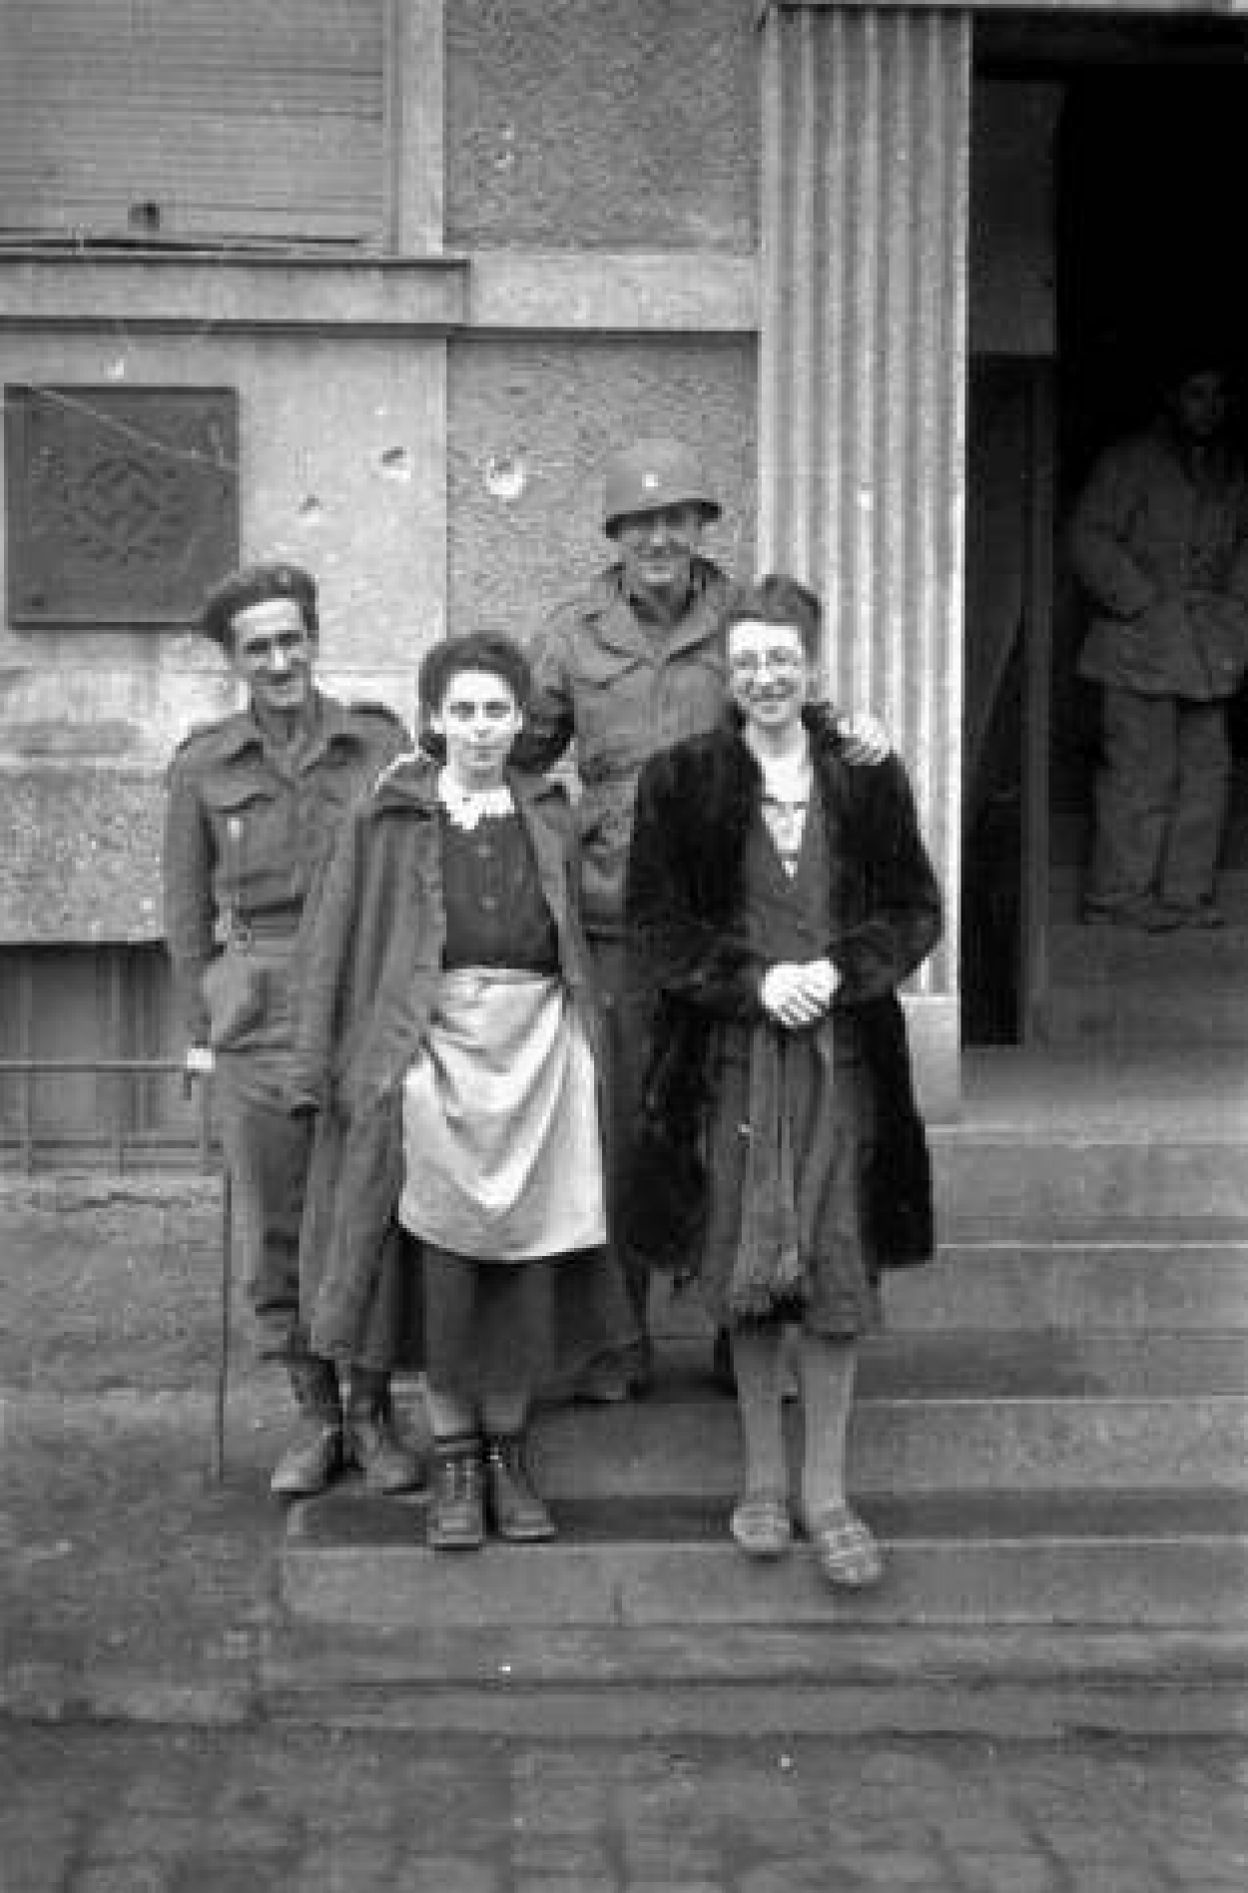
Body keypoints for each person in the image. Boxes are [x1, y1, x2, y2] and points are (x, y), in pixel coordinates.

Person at [515, 437, 890, 1396]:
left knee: (739, 1123)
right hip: (618, 928)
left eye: (677, 518)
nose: (659, 538)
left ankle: (744, 1328)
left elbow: (799, 708)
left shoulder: (744, 619)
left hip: (736, 925)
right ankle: (615, 1339)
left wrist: (859, 736)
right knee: (626, 1130)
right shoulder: (571, 635)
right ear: (615, 534)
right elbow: (515, 756)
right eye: (640, 522)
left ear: (701, 528)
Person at [625, 575, 940, 1589]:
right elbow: (658, 926)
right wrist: (758, 982)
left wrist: (837, 974)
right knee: (751, 1272)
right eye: (749, 659)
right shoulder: (681, 780)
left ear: (812, 663)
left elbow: (913, 908)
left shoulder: (865, 773)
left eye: (784, 658)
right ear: (728, 668)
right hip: (729, 1061)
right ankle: (761, 1481)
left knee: (835, 1272)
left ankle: (828, 1492)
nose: (767, 676)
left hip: (844, 1060)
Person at [289, 631, 635, 1551]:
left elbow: (608, 902)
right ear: (434, 720)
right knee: (441, 1265)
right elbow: (333, 942)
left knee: (522, 1261)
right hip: (430, 1059)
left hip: (536, 1061)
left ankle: (509, 1460)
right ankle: (452, 1459)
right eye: (464, 711)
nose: (482, 729)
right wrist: (316, 1063)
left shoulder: (552, 817)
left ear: (523, 721)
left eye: (498, 711)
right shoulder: (388, 819)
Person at [163, 560, 423, 1500]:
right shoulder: (204, 765)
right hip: (261, 1011)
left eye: (290, 639)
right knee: (278, 1223)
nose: (279, 659)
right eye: (257, 647)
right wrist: (203, 1027)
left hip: (360, 995)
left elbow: (416, 866)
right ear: (235, 661)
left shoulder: (377, 745)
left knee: (369, 1210)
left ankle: (372, 1410)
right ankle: (315, 1414)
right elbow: (186, 919)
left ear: (313, 638)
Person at [1070, 352, 1248, 929]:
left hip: (1206, 650)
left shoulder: (1230, 471)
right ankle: (1119, 898)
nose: (1209, 407)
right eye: (1196, 393)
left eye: (1219, 395)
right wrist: (1140, 601)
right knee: (1138, 775)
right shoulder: (1129, 461)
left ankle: (1184, 896)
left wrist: (1236, 615)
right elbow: (1088, 538)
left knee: (1206, 775)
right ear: (1171, 398)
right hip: (1137, 649)